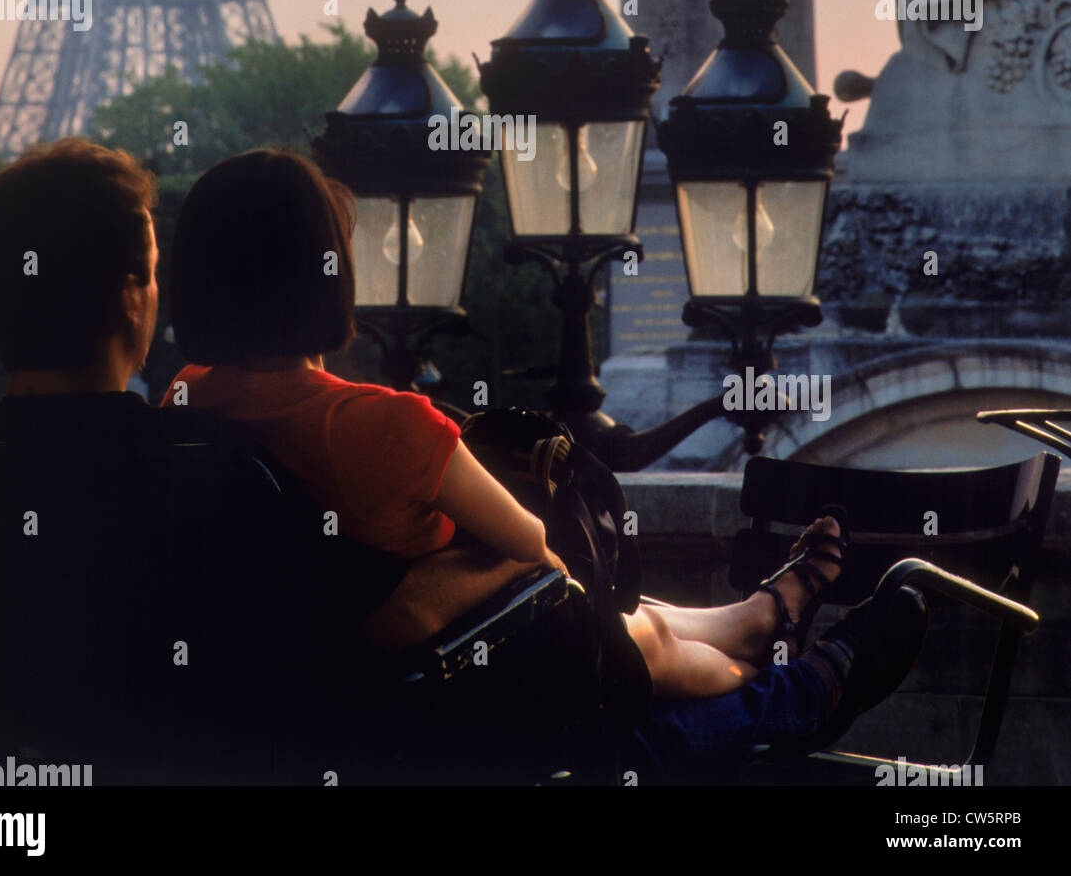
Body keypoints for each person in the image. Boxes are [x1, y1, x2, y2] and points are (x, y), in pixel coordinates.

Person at [161, 147, 929, 772]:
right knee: (600, 623)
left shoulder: (183, 405)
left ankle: (760, 618)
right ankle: (795, 686)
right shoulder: (383, 425)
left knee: (631, 624)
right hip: (471, 699)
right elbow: (529, 542)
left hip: (339, 701)